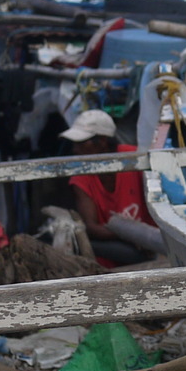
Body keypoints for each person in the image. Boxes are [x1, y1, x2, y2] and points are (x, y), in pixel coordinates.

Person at [61, 109, 158, 267]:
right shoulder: (81, 177)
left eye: (81, 143)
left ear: (103, 141)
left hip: (150, 247)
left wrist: (145, 238)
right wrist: (132, 237)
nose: (75, 150)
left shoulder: (134, 158)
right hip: (115, 253)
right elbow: (92, 227)